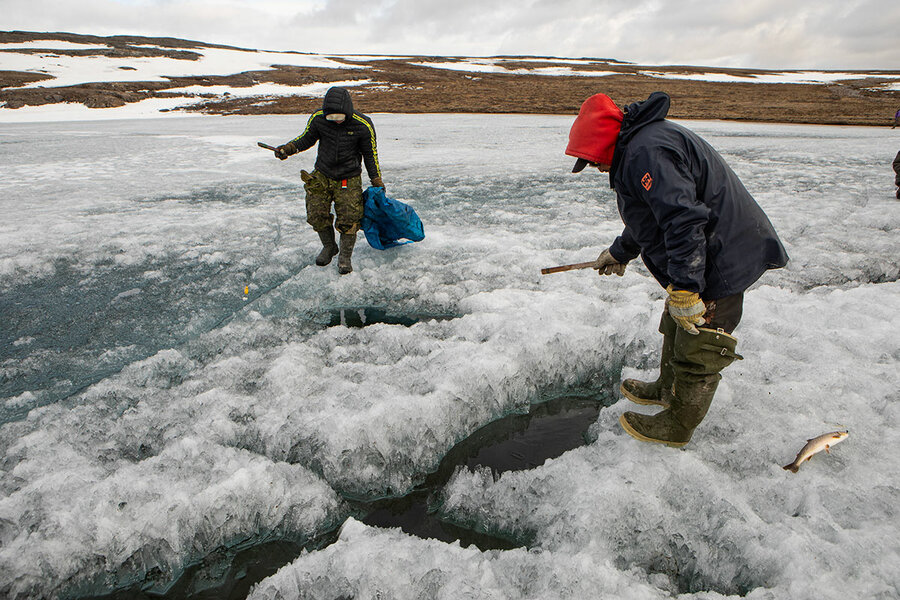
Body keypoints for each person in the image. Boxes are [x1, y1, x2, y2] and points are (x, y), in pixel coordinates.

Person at [566, 91, 789, 447]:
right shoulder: (635, 149)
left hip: (721, 253)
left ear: (604, 143)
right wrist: (620, 251)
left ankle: (678, 425)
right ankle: (667, 389)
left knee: (700, 337)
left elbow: (682, 219)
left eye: (594, 161)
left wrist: (686, 286)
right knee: (676, 321)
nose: (597, 168)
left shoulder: (646, 152)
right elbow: (650, 216)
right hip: (704, 251)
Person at [275, 86, 385, 274]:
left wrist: (376, 179)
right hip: (323, 174)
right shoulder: (318, 118)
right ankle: (329, 246)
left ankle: (344, 257)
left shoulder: (363, 125)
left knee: (349, 219)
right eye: (331, 117)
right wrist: (288, 149)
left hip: (348, 177)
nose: (335, 120)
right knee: (316, 212)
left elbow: (370, 154)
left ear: (347, 111)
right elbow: (306, 138)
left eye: (339, 117)